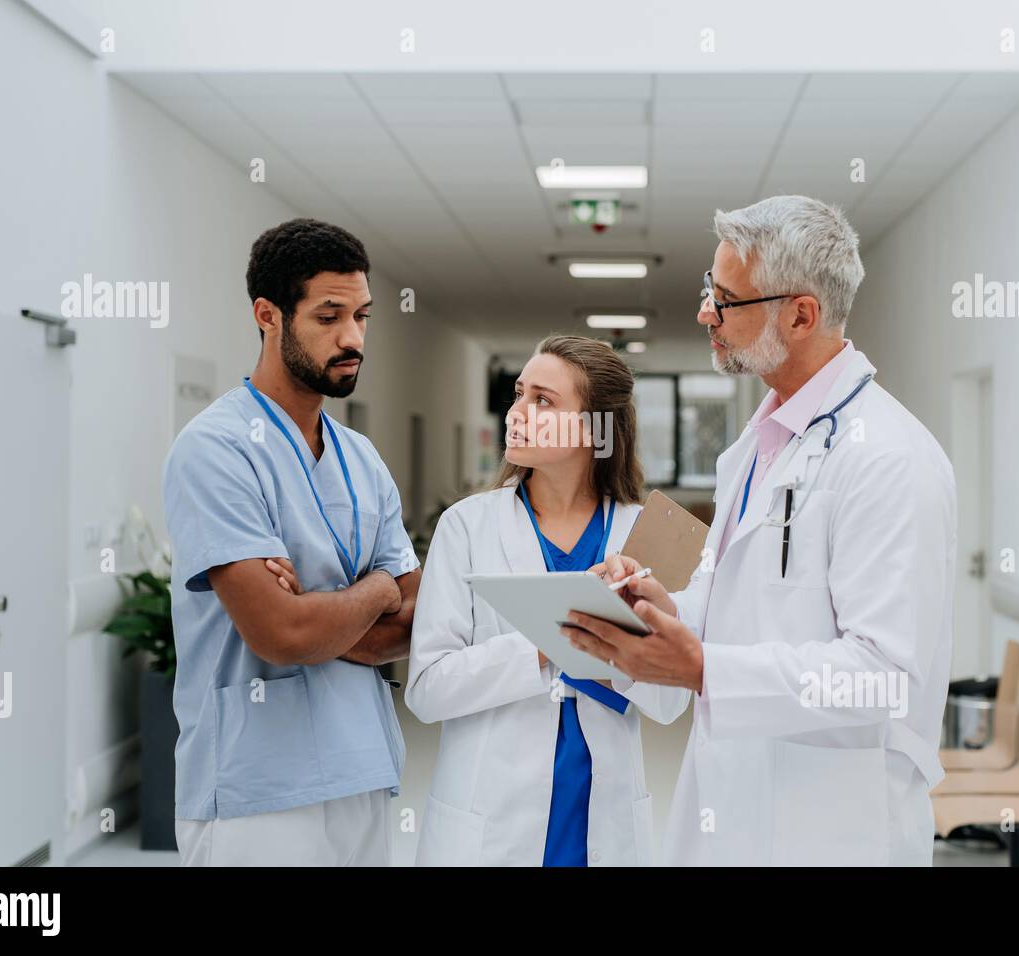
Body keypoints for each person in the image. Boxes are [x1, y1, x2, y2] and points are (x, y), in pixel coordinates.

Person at [564, 195, 956, 866]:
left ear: (800, 314)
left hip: (833, 826)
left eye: (726, 299)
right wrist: (655, 610)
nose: (704, 313)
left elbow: (886, 675)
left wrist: (707, 668)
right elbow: (734, 605)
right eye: (708, 292)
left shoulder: (889, 458)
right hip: (735, 806)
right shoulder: (752, 449)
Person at [161, 218, 421, 866]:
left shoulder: (363, 459)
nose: (353, 337)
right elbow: (281, 635)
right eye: (329, 316)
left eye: (362, 315)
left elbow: (416, 621)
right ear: (268, 314)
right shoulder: (214, 449)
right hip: (255, 791)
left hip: (363, 771)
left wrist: (320, 612)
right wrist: (377, 589)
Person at [405, 335, 689, 866]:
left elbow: (672, 703)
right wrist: (549, 639)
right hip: (489, 826)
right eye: (518, 394)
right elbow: (426, 689)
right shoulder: (466, 527)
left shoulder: (645, 532)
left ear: (593, 427)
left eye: (543, 400)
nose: (516, 413)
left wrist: (621, 639)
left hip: (599, 822)